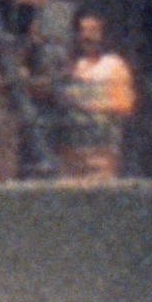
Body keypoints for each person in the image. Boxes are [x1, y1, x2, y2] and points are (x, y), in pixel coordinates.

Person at [57, 12, 134, 183]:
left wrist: (86, 104)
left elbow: (123, 105)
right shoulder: (70, 67)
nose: (87, 37)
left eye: (93, 31)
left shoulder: (113, 65)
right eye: (83, 31)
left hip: (101, 153)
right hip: (71, 152)